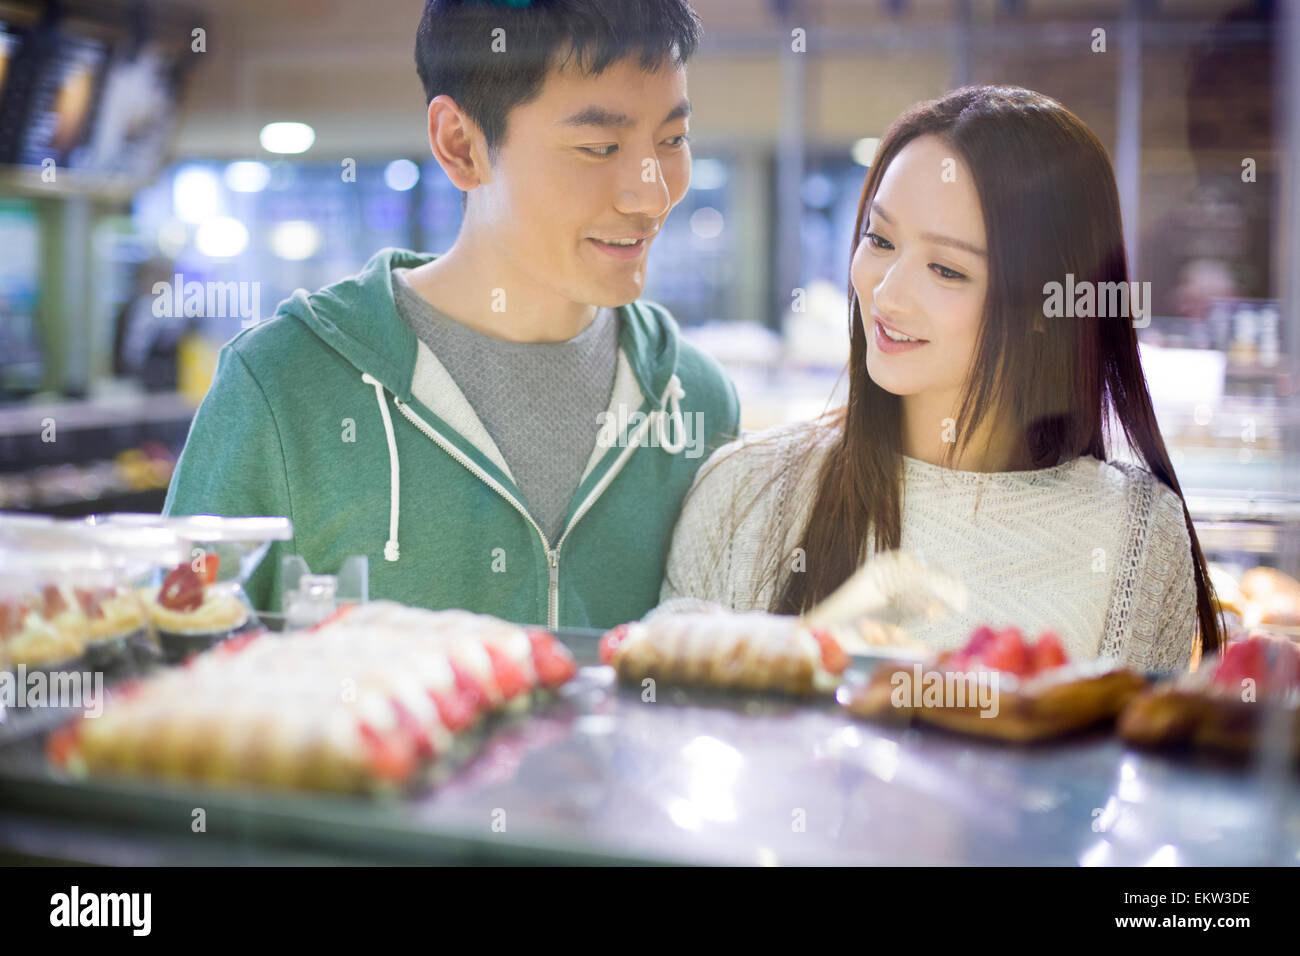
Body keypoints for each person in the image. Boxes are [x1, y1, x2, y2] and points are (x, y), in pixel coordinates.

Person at [165, 0, 739, 628]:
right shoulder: (281, 387)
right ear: (461, 145)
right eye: (600, 147)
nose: (651, 192)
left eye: (672, 139)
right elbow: (168, 657)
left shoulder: (697, 401)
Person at [659, 85, 1221, 671]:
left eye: (946, 269)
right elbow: (665, 730)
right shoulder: (744, 492)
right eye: (879, 240)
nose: (887, 292)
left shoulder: (1137, 536)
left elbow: (1116, 756)